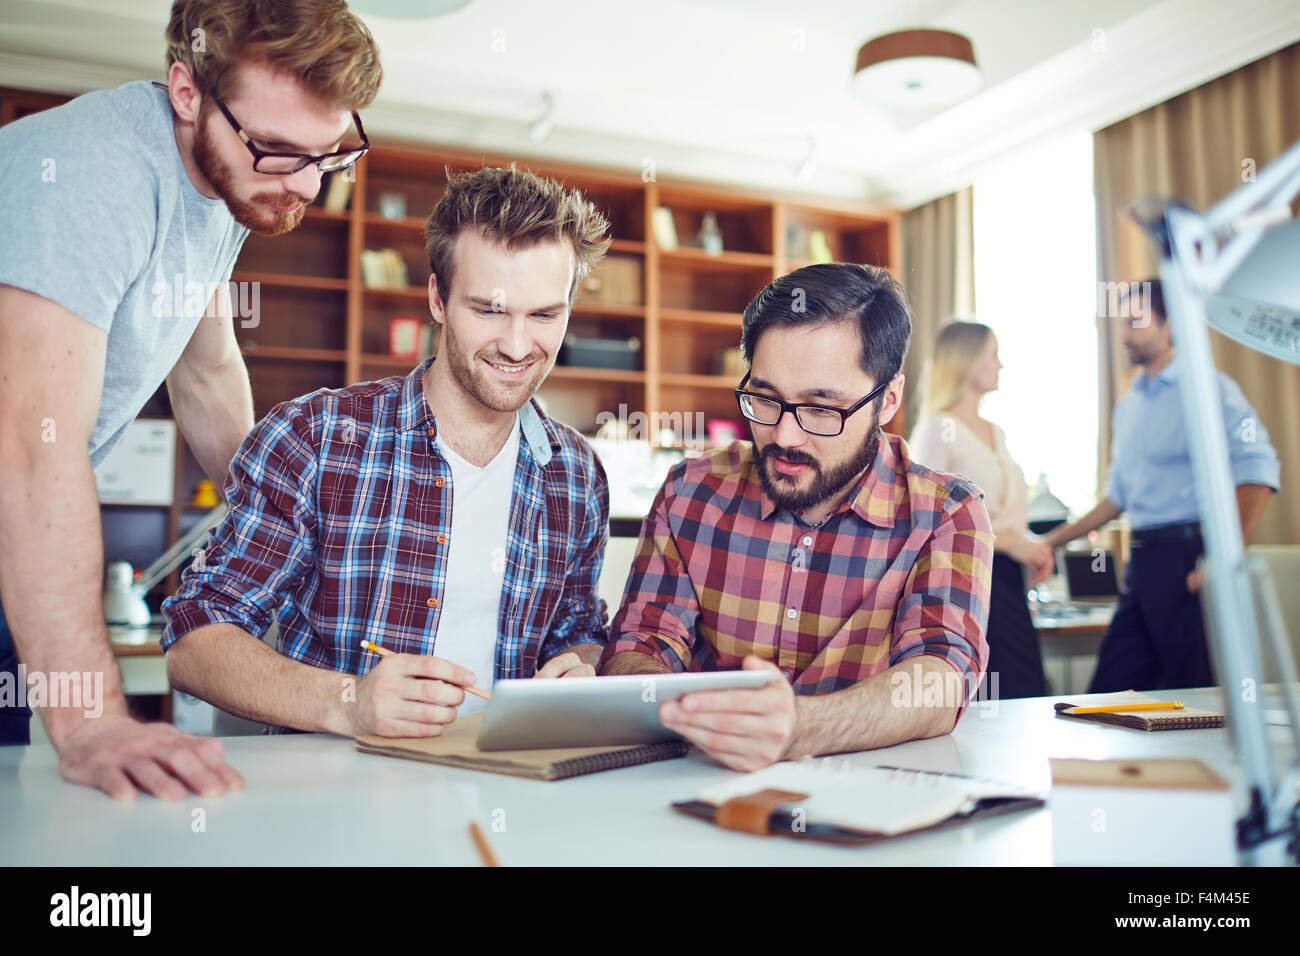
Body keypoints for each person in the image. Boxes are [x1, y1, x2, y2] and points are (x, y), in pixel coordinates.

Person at [0, 0, 381, 798]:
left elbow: (206, 373)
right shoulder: (90, 174)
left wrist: (295, 532)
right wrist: (94, 718)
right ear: (185, 90)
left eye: (330, 154)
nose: (307, 185)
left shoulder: (223, 183)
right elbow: (29, 447)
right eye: (280, 151)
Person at [162, 166, 613, 737]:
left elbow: (579, 631)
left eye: (545, 315)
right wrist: (348, 702)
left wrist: (585, 667)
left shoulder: (576, 474)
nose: (519, 346)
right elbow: (193, 637)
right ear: (438, 299)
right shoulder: (316, 437)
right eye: (490, 310)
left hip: (511, 788)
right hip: (341, 801)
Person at [599, 263, 995, 772]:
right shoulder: (690, 492)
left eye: (821, 409)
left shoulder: (947, 514)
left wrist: (801, 727)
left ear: (888, 400)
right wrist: (665, 700)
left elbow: (938, 679)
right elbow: (640, 643)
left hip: (871, 810)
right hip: (699, 790)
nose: (785, 437)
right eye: (765, 399)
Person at [1044, 279, 1280, 692]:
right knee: (1108, 693)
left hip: (1191, 559)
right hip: (1143, 561)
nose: (1124, 335)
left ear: (1170, 324)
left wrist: (1222, 558)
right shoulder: (1130, 402)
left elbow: (1257, 466)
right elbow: (1117, 495)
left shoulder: (1210, 390)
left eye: (1136, 322)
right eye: (1121, 323)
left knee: (1193, 695)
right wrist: (1052, 541)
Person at [910, 321, 1053, 699]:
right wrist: (1006, 541)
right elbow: (924, 522)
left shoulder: (997, 432)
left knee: (1024, 691)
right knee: (993, 697)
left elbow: (1003, 512)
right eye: (992, 355)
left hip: (1007, 581)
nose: (1000, 365)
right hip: (966, 581)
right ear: (967, 361)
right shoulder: (938, 430)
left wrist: (1031, 547)